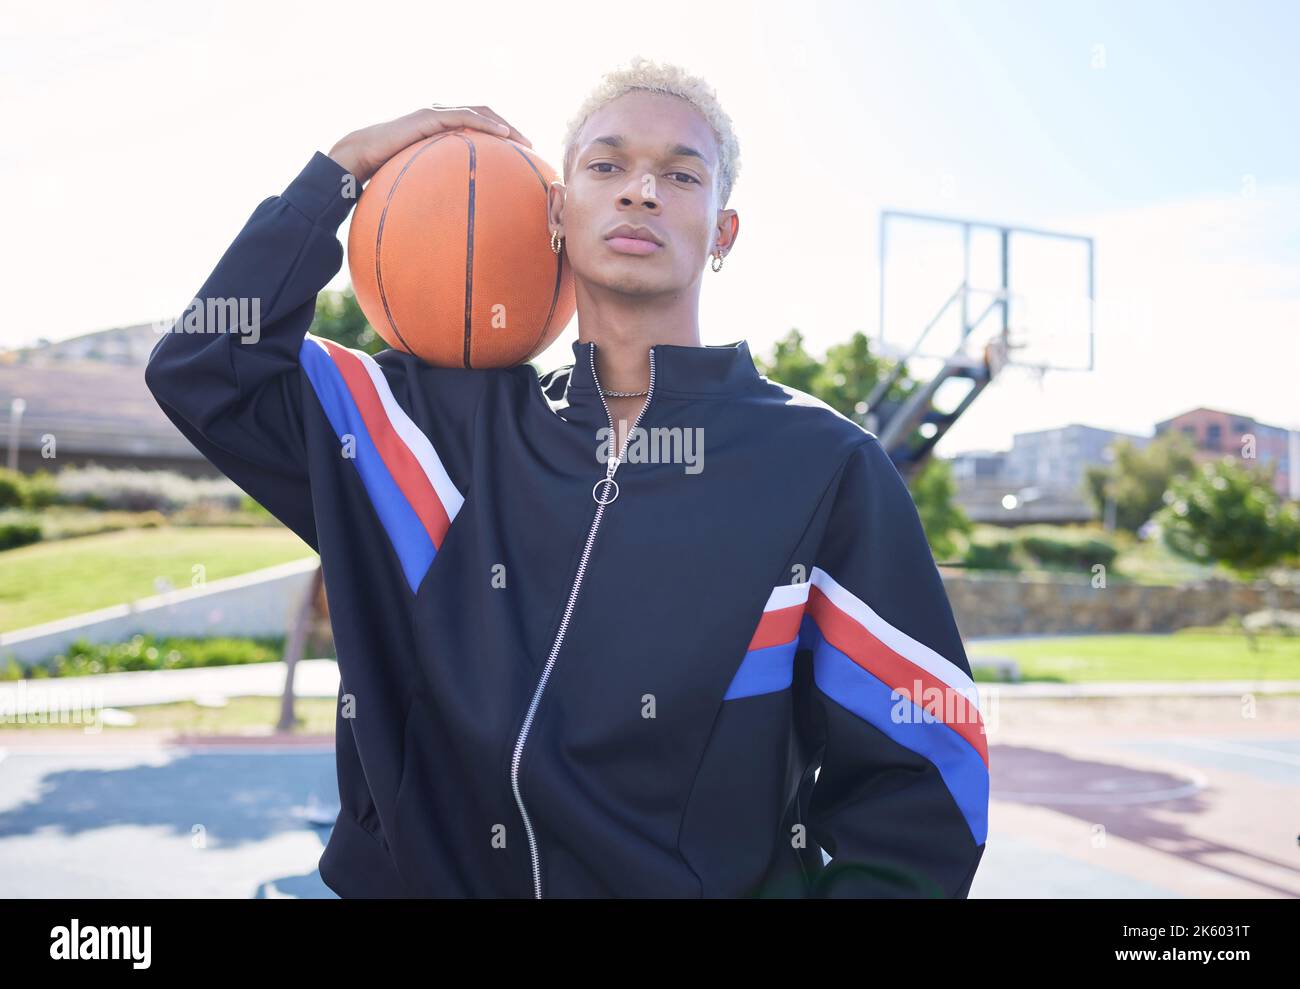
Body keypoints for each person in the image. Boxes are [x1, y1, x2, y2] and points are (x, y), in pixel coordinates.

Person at [144, 56, 988, 899]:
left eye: (680, 174)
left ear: (723, 233)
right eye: (607, 165)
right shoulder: (429, 429)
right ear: (558, 207)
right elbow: (206, 366)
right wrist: (342, 169)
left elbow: (925, 782)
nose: (641, 191)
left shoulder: (823, 466)